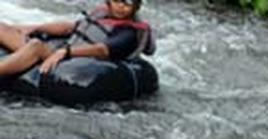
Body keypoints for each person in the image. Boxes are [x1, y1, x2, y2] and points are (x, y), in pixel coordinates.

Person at [0, 0, 155, 78]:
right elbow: (71, 27)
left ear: (136, 6)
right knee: (3, 28)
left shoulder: (129, 32)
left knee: (35, 46)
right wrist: (35, 27)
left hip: (75, 63)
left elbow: (102, 50)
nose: (121, 6)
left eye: (127, 3)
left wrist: (65, 52)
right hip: (62, 50)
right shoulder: (102, 14)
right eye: (117, 1)